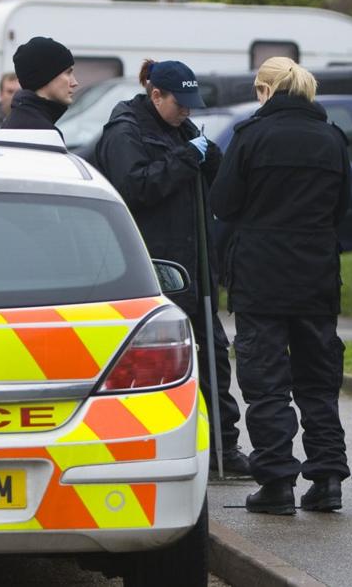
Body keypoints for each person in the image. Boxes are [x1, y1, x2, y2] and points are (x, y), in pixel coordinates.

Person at [93, 59, 250, 477]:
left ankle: (224, 447)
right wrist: (185, 158)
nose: (188, 111)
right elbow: (135, 187)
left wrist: (208, 156)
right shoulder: (125, 131)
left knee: (214, 357)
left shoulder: (180, 129)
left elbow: (210, 181)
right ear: (155, 94)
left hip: (195, 268)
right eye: (180, 103)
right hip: (155, 269)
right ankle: (152, 447)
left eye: (191, 105)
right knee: (158, 367)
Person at [210, 57, 351, 514]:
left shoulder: (251, 137)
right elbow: (341, 207)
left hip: (261, 279)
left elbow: (224, 203)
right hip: (316, 278)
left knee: (267, 385)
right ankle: (327, 479)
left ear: (266, 90)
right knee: (319, 382)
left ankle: (276, 484)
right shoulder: (332, 139)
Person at [2, 37, 77, 134]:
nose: (74, 82)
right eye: (68, 73)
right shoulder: (43, 133)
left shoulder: (17, 121)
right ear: (46, 76)